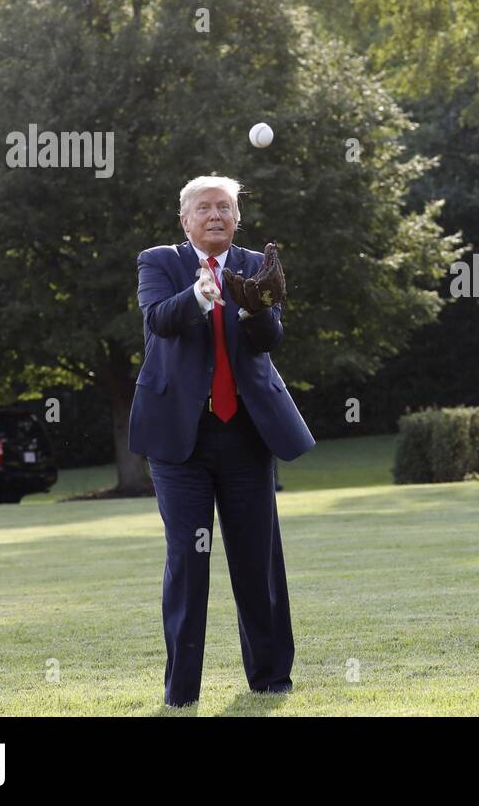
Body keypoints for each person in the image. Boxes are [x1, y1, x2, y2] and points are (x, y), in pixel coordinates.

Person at [128, 175, 315, 707]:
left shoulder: (258, 263)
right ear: (184, 219)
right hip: (179, 440)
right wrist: (196, 295)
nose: (216, 216)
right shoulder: (159, 262)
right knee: (188, 561)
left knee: (257, 559)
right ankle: (182, 691)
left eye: (225, 208)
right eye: (204, 208)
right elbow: (159, 321)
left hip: (245, 435)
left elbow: (269, 339)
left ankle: (271, 679)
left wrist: (257, 308)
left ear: (237, 217)